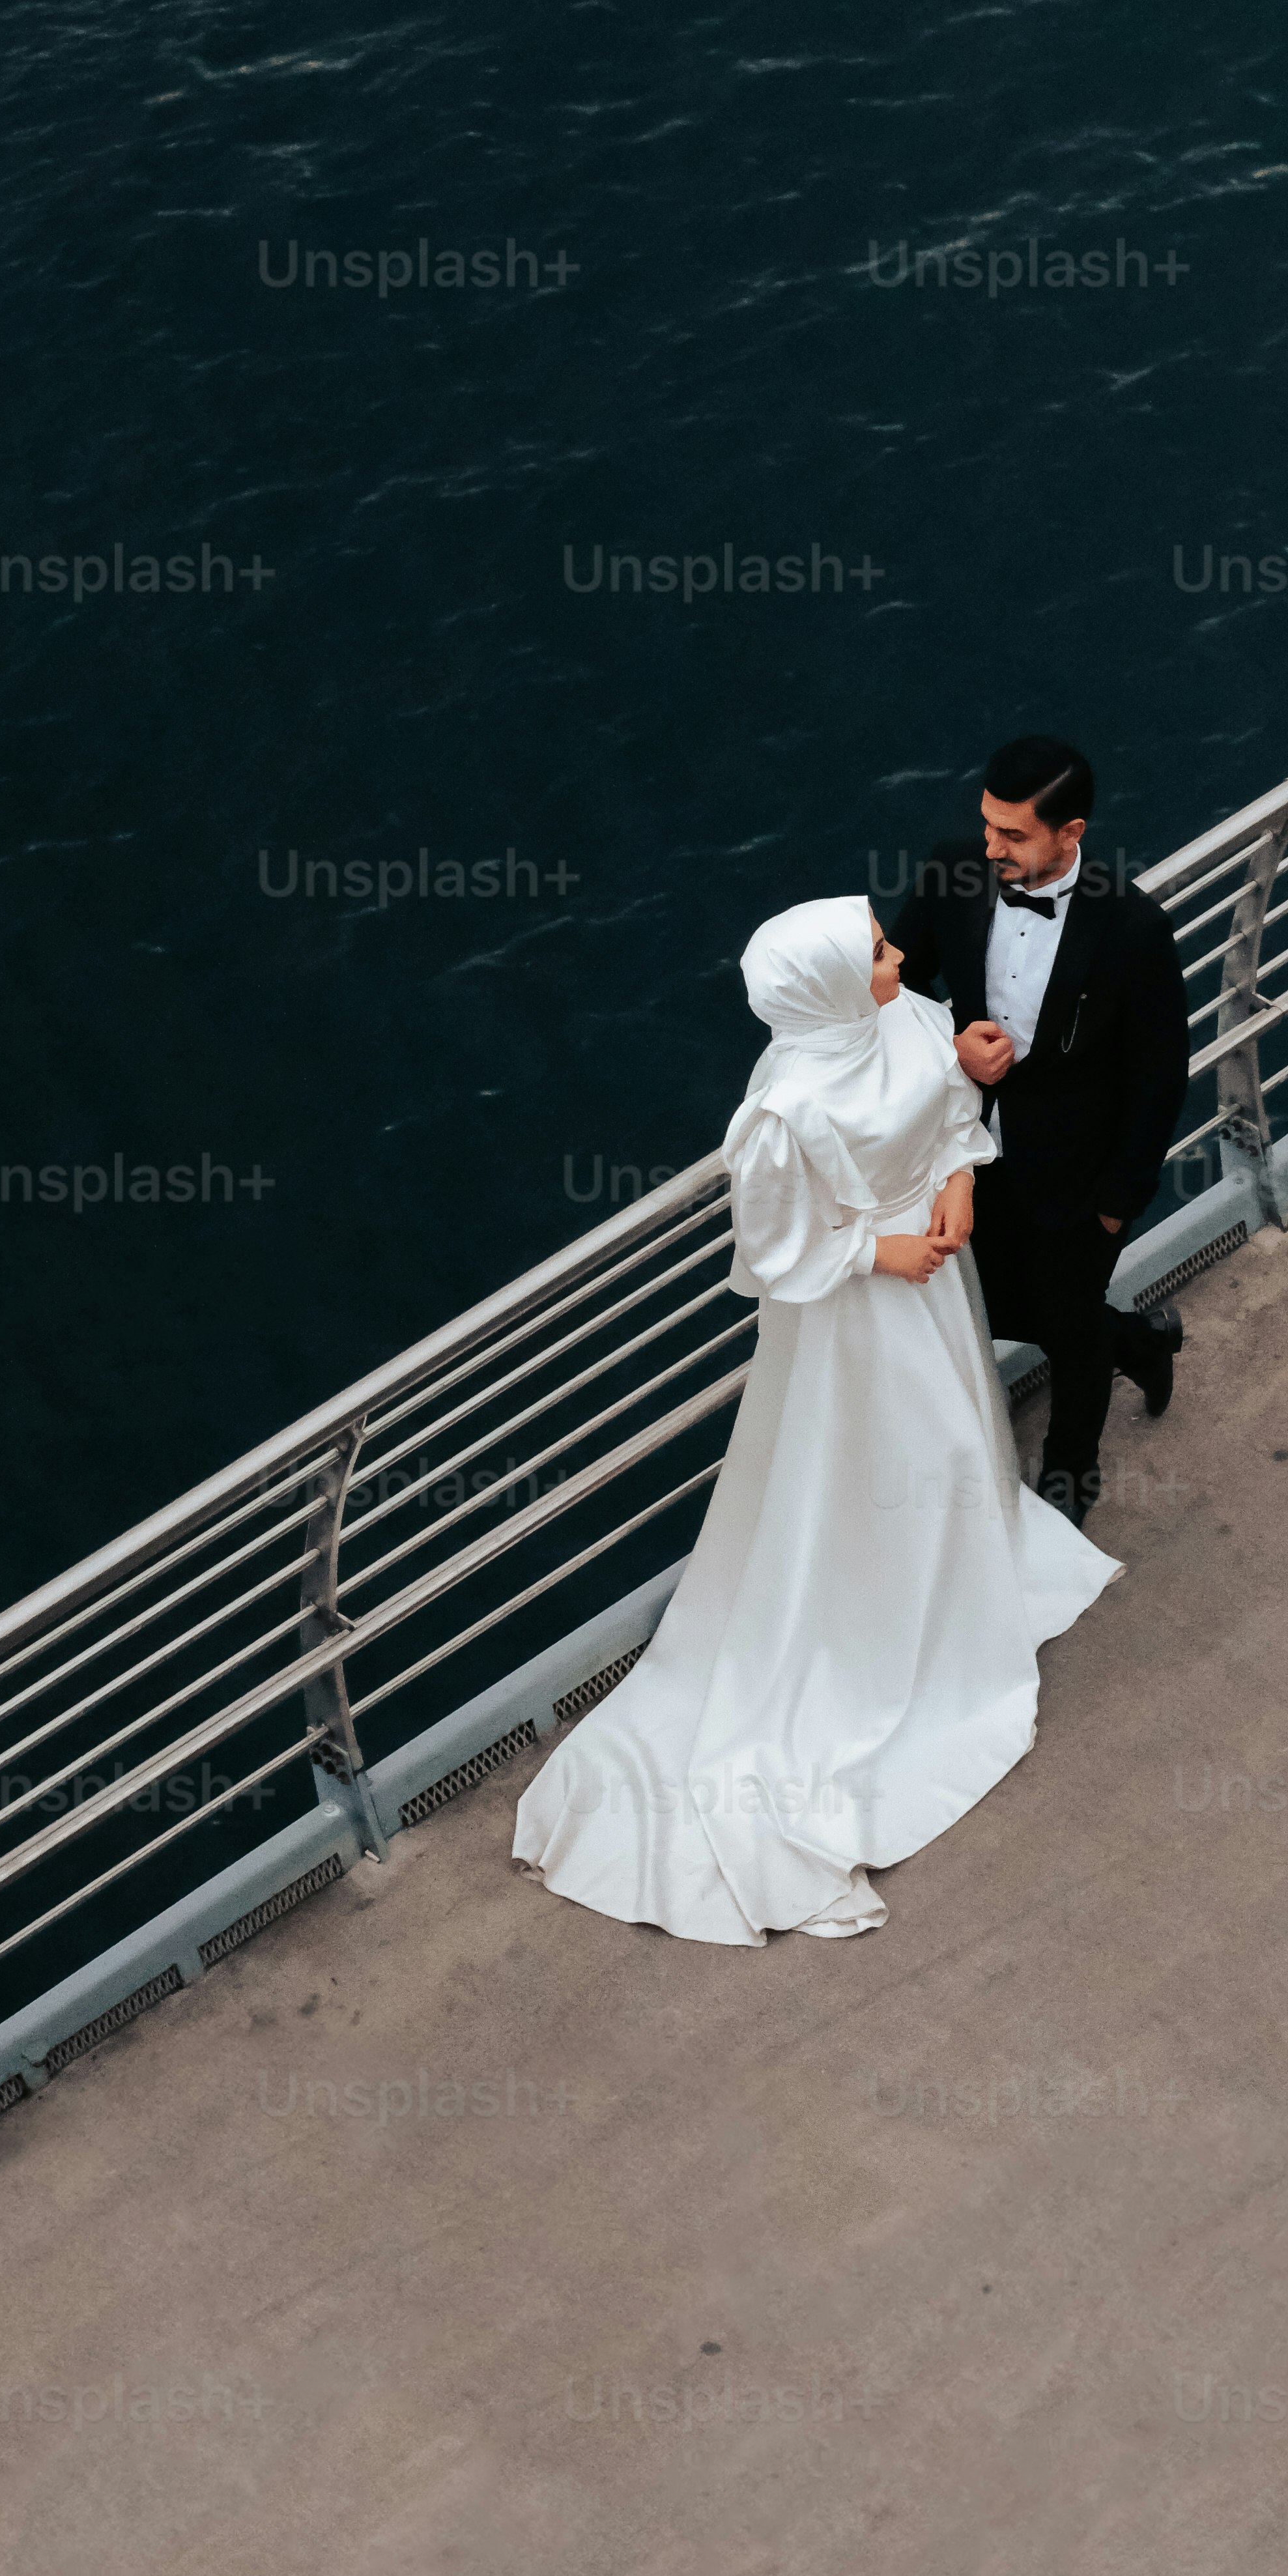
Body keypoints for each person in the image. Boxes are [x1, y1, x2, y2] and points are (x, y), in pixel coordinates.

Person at [511, 897, 1117, 1945]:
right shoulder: (785, 1108)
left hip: (933, 1280)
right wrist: (881, 1253)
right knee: (888, 1457)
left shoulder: (902, 1017)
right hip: (863, 1318)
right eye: (877, 952)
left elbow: (947, 1119)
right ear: (826, 985)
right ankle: (891, 1624)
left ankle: (955, 1579)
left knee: (952, 1435)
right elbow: (774, 1251)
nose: (896, 958)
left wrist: (960, 1190)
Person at [898, 734, 1191, 1527]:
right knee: (989, 1308)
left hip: (1076, 1176)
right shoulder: (953, 869)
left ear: (1072, 834)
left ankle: (1070, 1474)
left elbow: (1159, 1073)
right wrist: (948, 1045)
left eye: (1013, 835)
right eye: (987, 826)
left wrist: (1117, 1200)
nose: (990, 848)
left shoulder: (1131, 929)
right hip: (963, 1157)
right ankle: (1135, 1342)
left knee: (1065, 1331)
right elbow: (893, 980)